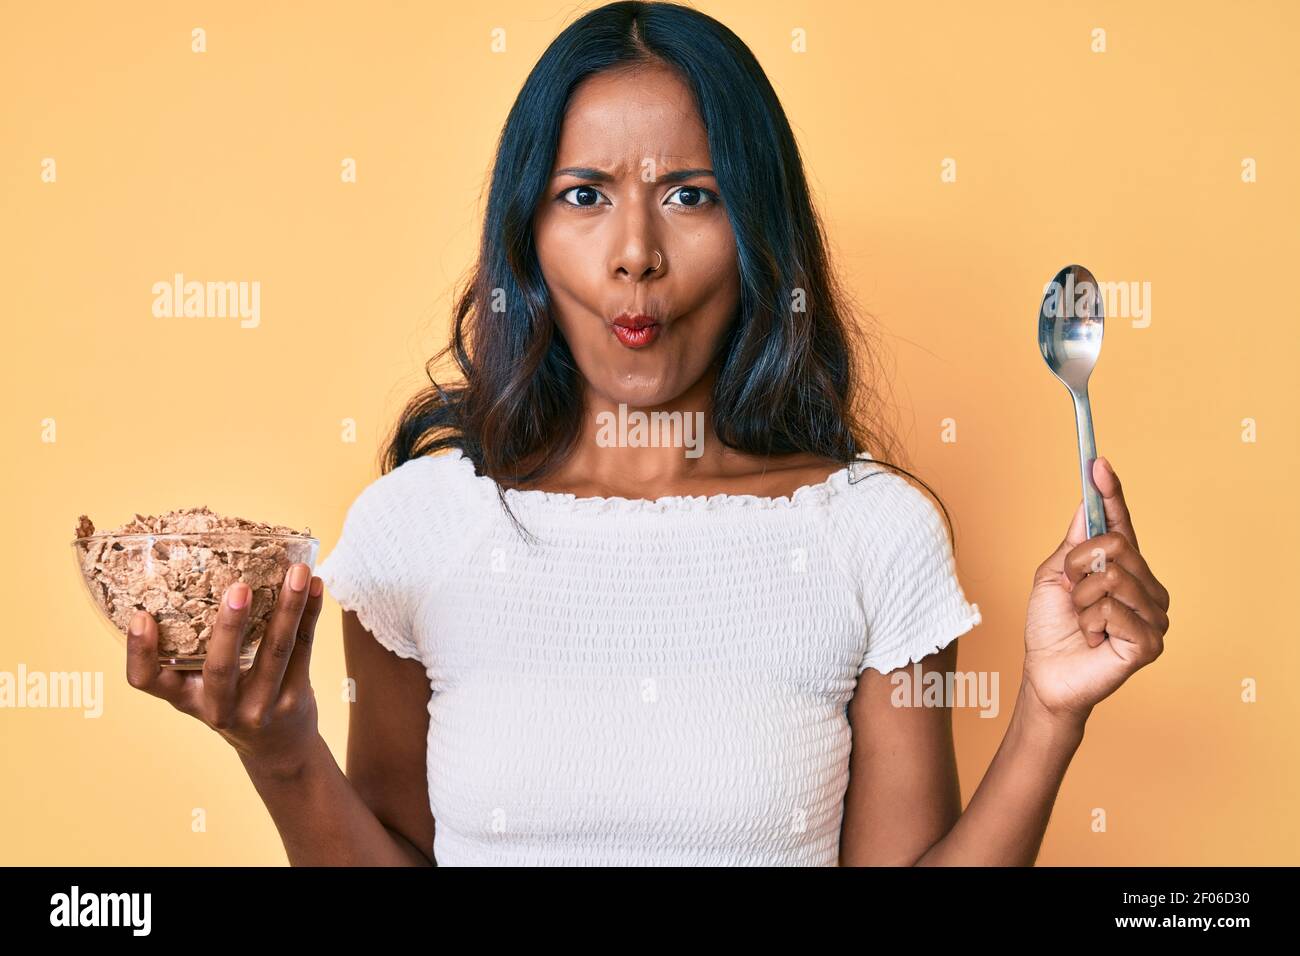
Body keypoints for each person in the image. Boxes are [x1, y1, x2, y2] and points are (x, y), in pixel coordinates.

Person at [124, 0, 1170, 866]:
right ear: (528, 237)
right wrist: (282, 751)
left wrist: (1047, 711)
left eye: (689, 194)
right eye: (583, 195)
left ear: (758, 232)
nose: (635, 253)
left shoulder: (875, 535)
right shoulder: (416, 528)